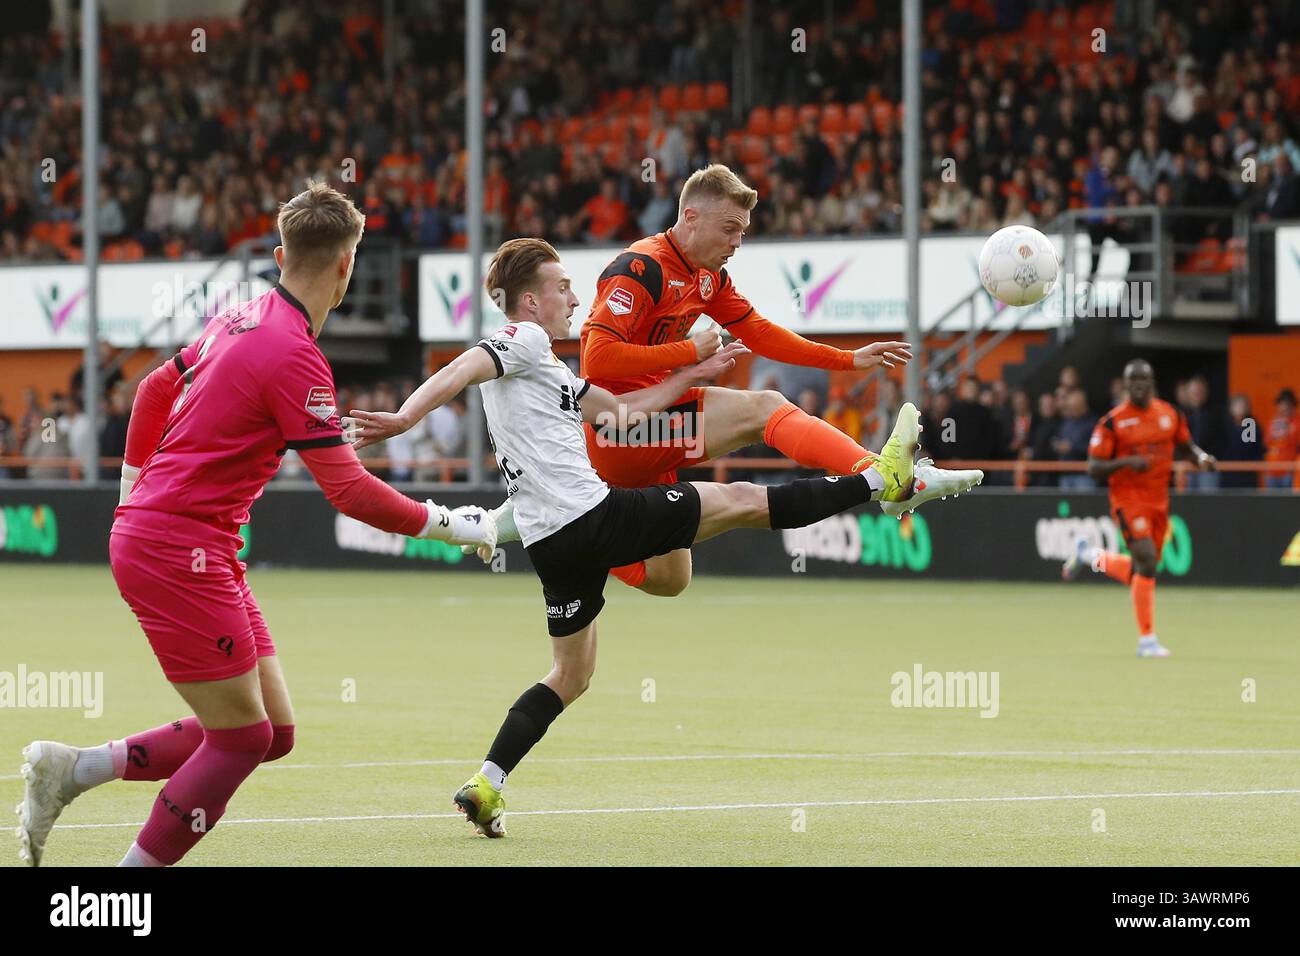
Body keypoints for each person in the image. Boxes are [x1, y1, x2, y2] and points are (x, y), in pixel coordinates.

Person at [351, 238, 984, 837]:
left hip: (552, 546)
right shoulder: (521, 338)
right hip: (595, 517)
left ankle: (486, 782)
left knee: (569, 676)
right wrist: (406, 417)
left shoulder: (546, 369)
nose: (574, 299)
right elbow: (467, 364)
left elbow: (626, 415)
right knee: (740, 502)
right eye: (563, 287)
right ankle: (882, 481)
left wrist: (697, 368)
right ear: (529, 301)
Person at [16, 183, 498, 869]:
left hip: (187, 541)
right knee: (241, 739)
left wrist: (131, 491)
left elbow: (154, 388)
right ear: (346, 266)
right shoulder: (297, 357)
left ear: (280, 255)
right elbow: (351, 493)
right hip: (177, 547)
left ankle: (73, 771)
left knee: (273, 734)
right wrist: (460, 523)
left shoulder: (238, 317)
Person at [1062, 360, 1217, 658]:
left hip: (1159, 500)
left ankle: (1089, 555)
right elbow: (1093, 467)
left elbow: (1185, 446)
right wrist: (1125, 462)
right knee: (1146, 561)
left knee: (1141, 569)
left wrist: (1201, 458)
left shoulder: (1169, 414)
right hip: (1128, 500)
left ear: (1151, 382)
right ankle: (1147, 640)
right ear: (1124, 384)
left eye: (1143, 380)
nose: (1138, 386)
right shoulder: (1113, 422)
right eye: (1132, 381)